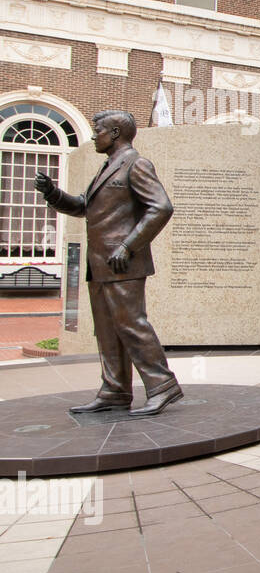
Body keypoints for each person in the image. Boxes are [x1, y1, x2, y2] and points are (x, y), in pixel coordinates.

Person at [33, 110, 183, 416]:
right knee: (107, 329)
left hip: (122, 264)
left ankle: (162, 386)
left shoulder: (136, 163)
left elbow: (161, 207)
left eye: (97, 130)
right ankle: (115, 390)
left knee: (131, 325)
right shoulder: (108, 167)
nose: (93, 135)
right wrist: (53, 193)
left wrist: (128, 246)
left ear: (115, 133)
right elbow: (83, 207)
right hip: (100, 265)